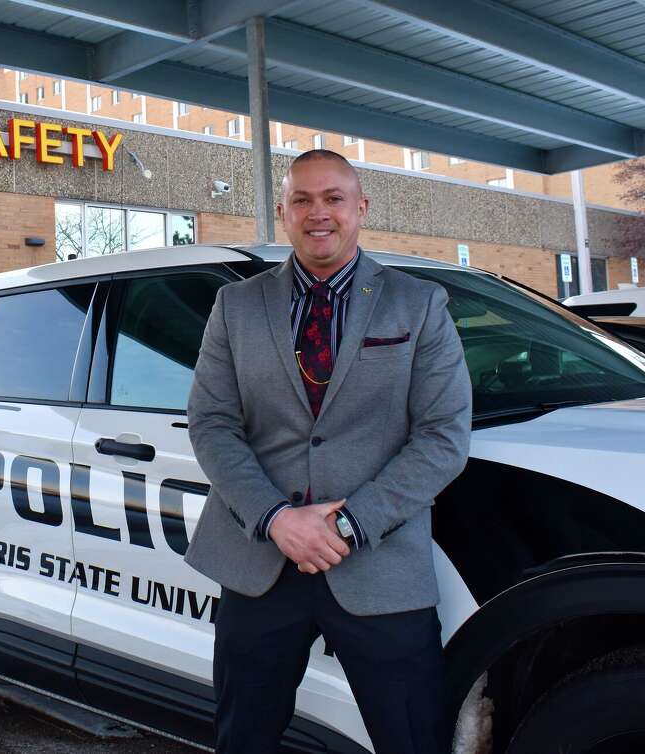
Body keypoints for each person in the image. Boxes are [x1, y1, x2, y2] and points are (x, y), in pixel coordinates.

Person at [185, 149, 472, 754]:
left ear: (360, 208)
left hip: (378, 563)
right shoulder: (235, 306)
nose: (319, 213)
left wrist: (347, 523)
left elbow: (443, 435)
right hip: (260, 564)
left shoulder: (418, 305)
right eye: (303, 200)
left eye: (334, 198)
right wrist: (275, 518)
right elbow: (212, 423)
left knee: (415, 738)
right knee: (243, 738)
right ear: (284, 212)